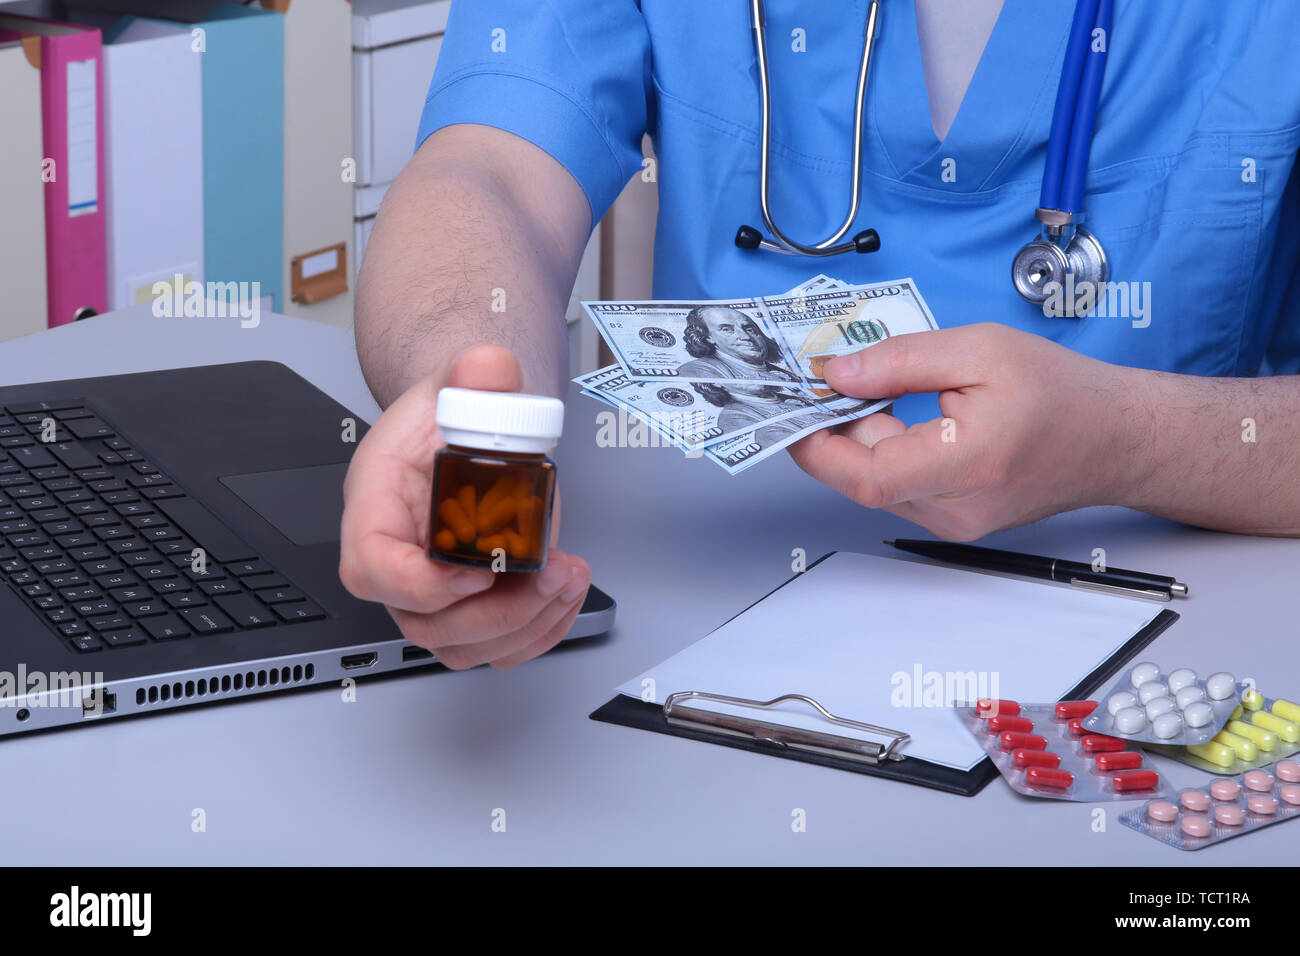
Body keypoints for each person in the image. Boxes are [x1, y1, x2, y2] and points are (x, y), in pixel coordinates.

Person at [341, 1, 1300, 670]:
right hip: (691, 617)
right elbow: (489, 165)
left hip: (1164, 640)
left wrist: (1126, 442)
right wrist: (468, 408)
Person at [677, 306, 798, 383]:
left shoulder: (788, 376)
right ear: (708, 337)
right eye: (727, 330)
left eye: (750, 329)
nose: (745, 337)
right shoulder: (695, 371)